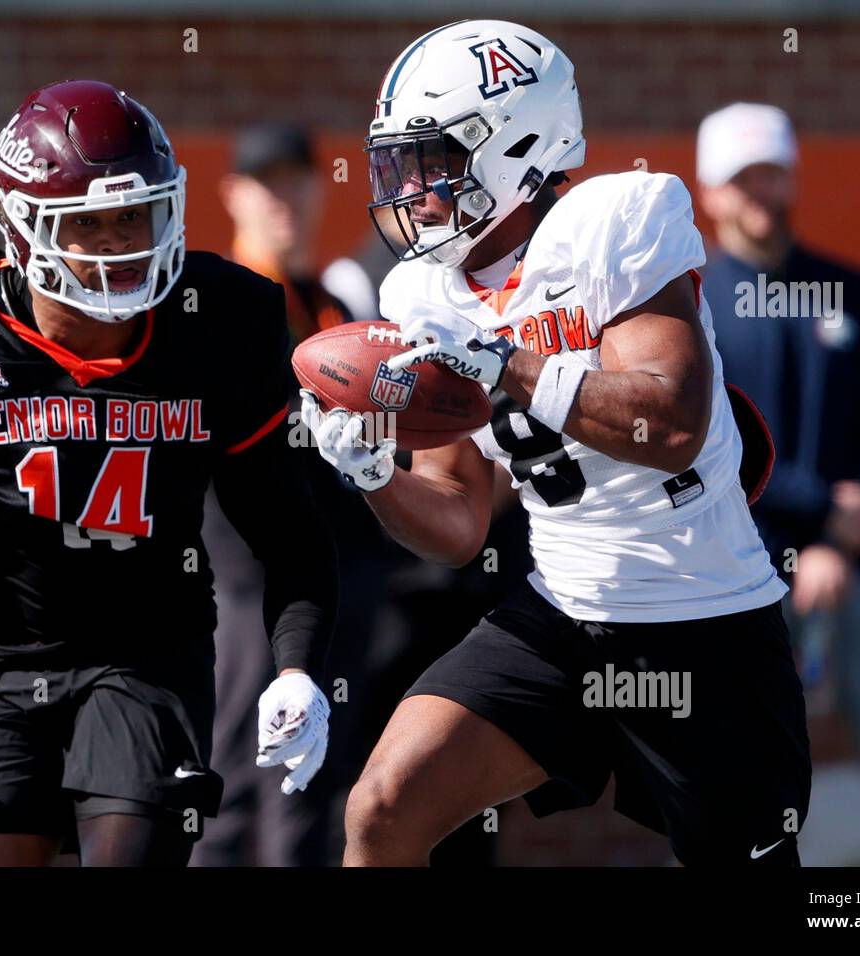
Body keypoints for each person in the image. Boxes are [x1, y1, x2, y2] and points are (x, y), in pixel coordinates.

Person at [300, 19, 810, 866]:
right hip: (561, 609)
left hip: (703, 614)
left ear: (518, 145)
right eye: (401, 164)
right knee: (382, 809)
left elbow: (671, 425)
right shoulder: (419, 290)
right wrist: (370, 473)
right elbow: (460, 522)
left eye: (433, 161)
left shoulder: (618, 216)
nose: (411, 189)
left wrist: (508, 360)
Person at [0, 80, 337, 866]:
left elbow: (288, 529)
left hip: (147, 663)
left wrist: (298, 667)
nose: (122, 243)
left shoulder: (217, 324)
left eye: (135, 214)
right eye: (88, 223)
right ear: (23, 230)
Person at [696, 102, 860, 866]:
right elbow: (707, 444)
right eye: (741, 180)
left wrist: (844, 533)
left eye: (771, 174)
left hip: (854, 567)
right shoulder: (688, 309)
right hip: (741, 577)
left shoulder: (855, 293)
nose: (759, 194)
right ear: (710, 193)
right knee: (742, 768)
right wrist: (814, 520)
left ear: (792, 179)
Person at [194, 122, 395, 866]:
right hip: (248, 576)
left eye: (295, 180)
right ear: (234, 195)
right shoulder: (218, 299)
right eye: (264, 182)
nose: (283, 198)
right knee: (238, 782)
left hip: (340, 572)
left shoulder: (334, 304)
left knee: (314, 781)